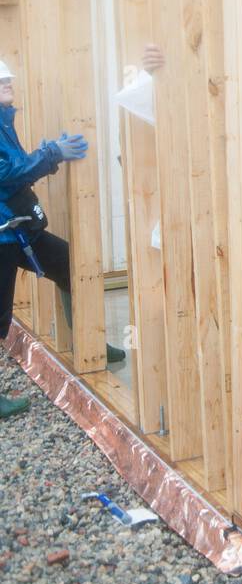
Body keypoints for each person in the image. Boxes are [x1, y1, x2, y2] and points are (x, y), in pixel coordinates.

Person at [0, 59, 125, 418]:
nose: (8, 82)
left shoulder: (4, 120)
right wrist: (51, 153)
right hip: (4, 234)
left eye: (9, 77)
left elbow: (16, 166)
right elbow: (6, 173)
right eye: (2, 80)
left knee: (71, 265)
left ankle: (91, 343)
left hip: (18, 227)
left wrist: (46, 157)